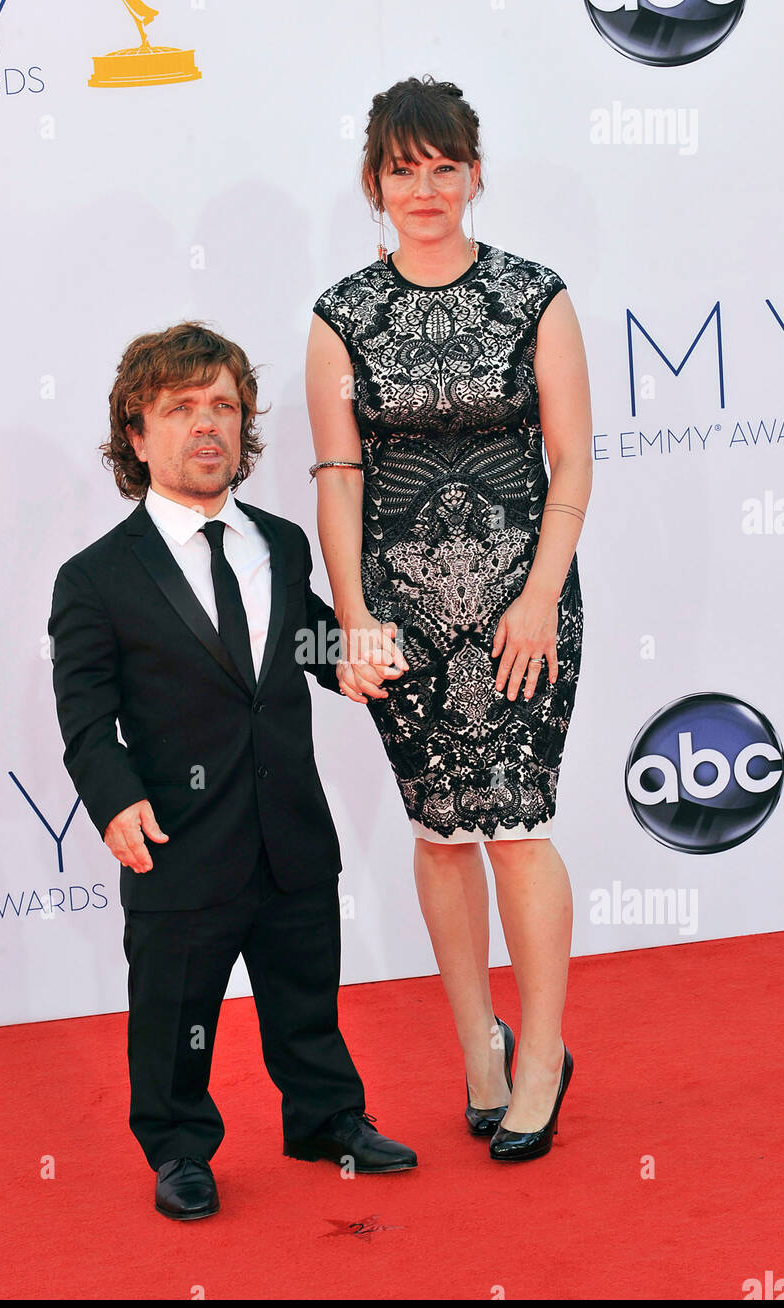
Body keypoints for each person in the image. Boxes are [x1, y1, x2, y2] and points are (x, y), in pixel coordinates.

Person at [47, 322, 417, 1219]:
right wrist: (116, 798)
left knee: (306, 997)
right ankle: (179, 1149)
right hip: (179, 841)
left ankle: (326, 1117)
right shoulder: (95, 578)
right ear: (135, 434)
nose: (207, 424)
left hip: (289, 826)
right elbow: (86, 715)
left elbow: (312, 640)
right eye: (180, 408)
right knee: (177, 1016)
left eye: (224, 405)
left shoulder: (283, 544)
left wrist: (355, 658)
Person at [306, 76, 591, 1162]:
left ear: (475, 172)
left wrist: (537, 597)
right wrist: (358, 619)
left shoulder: (534, 295)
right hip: (404, 618)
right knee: (439, 838)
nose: (424, 189)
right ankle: (479, 1045)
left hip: (526, 607)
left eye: (443, 167)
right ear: (373, 182)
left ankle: (541, 1057)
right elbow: (338, 478)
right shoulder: (342, 315)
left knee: (516, 829)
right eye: (401, 169)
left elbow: (572, 464)